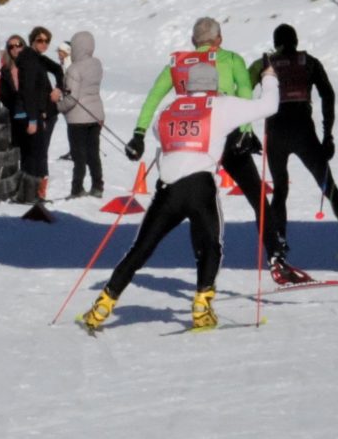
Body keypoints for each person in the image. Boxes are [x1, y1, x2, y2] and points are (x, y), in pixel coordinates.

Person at [82, 59, 279, 333]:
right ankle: (202, 306)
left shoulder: (169, 108)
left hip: (168, 189)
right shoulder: (220, 105)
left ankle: (103, 304)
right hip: (200, 187)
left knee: (141, 249)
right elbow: (269, 106)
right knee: (211, 244)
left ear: (186, 85)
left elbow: (158, 135)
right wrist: (269, 76)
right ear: (213, 85)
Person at [126, 16, 265, 241]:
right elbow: (245, 94)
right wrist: (246, 130)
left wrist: (139, 134)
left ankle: (153, 253)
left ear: (193, 40)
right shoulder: (231, 59)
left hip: (189, 137)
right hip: (227, 132)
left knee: (186, 201)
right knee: (257, 197)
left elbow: (153, 97)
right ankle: (276, 254)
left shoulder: (178, 63)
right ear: (219, 39)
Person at [261, 22, 338, 276]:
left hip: (277, 134)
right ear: (295, 40)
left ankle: (278, 245)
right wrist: (328, 135)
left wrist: (244, 130)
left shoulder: (267, 63)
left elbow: (240, 87)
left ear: (277, 43)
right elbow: (328, 95)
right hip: (304, 133)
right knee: (328, 186)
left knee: (280, 189)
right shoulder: (310, 62)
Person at [13, 27, 65, 220]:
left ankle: (35, 194)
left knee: (39, 151)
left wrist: (58, 88)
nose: (43, 44)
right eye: (40, 40)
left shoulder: (38, 58)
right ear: (32, 41)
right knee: (36, 153)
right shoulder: (28, 59)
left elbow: (58, 69)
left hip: (46, 112)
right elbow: (28, 92)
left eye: (46, 41)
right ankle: (32, 194)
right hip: (36, 114)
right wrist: (34, 118)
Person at [58, 31, 107, 199]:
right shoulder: (97, 64)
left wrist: (58, 106)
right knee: (93, 153)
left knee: (79, 156)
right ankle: (97, 186)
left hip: (77, 118)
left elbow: (71, 99)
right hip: (96, 114)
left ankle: (77, 188)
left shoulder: (73, 69)